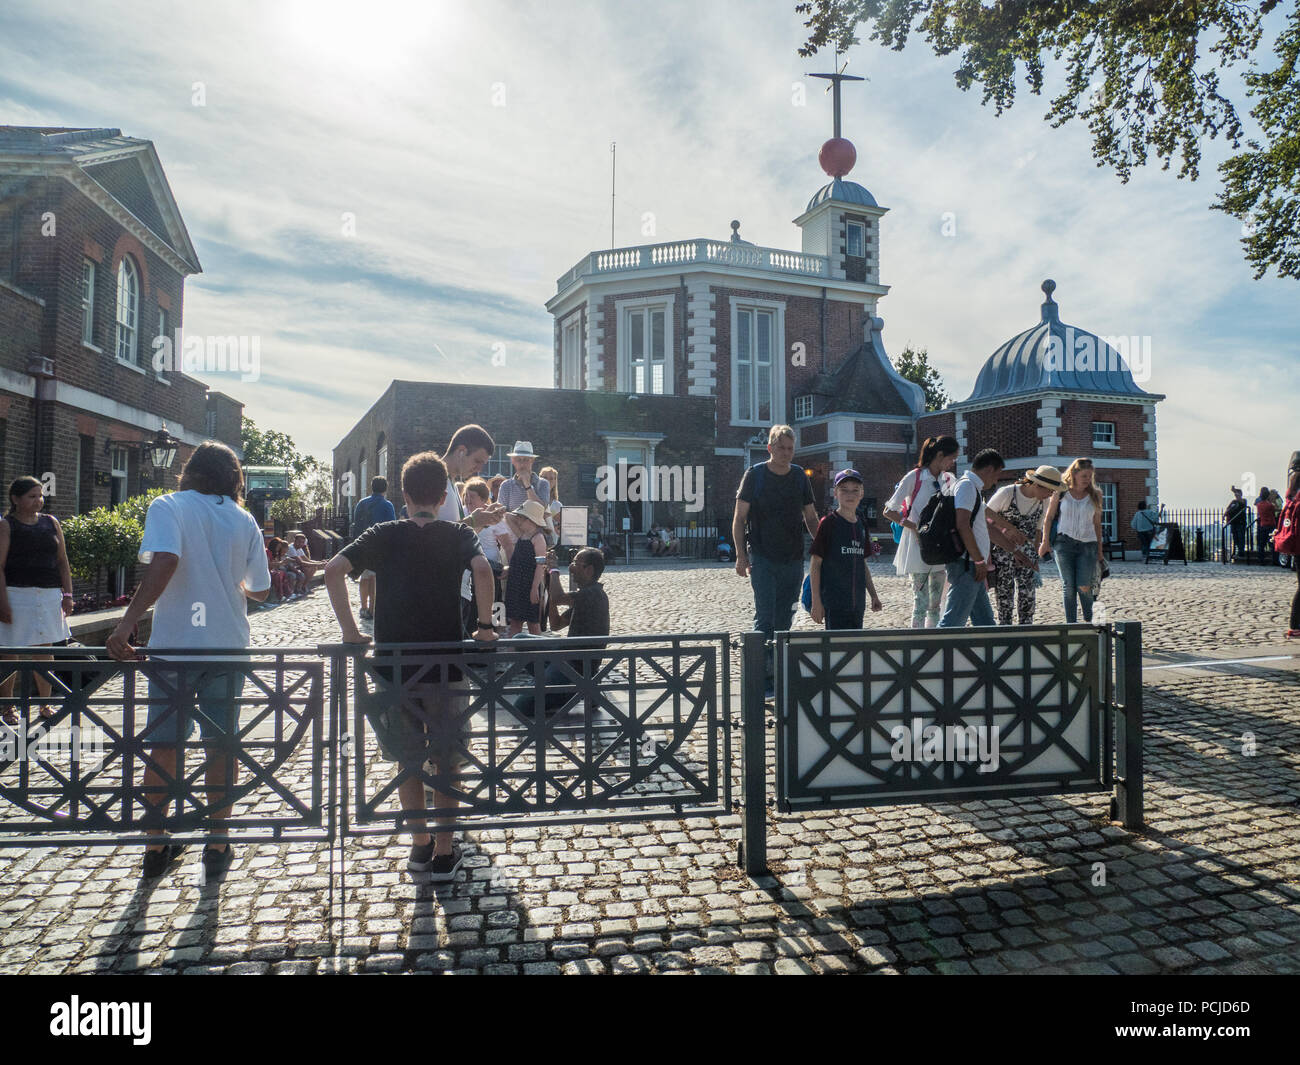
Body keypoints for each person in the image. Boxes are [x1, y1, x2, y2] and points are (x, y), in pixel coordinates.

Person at [325, 450, 497, 879]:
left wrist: (350, 631)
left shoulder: (384, 533)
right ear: (443, 496)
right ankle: (444, 851)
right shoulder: (457, 535)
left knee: (407, 759)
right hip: (445, 664)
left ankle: (419, 848)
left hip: (394, 665)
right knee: (448, 759)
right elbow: (483, 569)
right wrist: (485, 625)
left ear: (404, 494)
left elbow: (332, 570)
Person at [106, 442, 272, 880]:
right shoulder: (244, 518)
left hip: (176, 646)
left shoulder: (169, 506)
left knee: (164, 744)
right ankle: (218, 842)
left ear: (190, 472)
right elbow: (261, 590)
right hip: (227, 645)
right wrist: (225, 575)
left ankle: (157, 844)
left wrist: (127, 623)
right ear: (232, 477)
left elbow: (166, 561)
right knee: (222, 743)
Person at [732, 424, 819, 696]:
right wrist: (740, 555)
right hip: (762, 556)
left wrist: (823, 546)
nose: (785, 453)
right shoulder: (755, 475)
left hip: (793, 558)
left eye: (790, 448)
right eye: (780, 447)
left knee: (785, 619)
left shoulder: (798, 477)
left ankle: (779, 672)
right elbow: (739, 518)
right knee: (765, 618)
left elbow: (811, 517)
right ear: (770, 448)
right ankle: (763, 679)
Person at [0, 476, 75, 726]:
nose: (38, 501)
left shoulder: (52, 523)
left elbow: (62, 561)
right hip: (17, 594)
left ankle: (45, 703)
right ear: (16, 499)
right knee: (11, 653)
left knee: (44, 652)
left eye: (40, 495)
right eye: (32, 496)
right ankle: (7, 707)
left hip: (48, 595)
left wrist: (68, 594)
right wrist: (2, 602)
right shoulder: (7, 525)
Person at [514, 548, 611, 717]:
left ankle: (564, 690)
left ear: (588, 570)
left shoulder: (593, 594)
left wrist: (554, 569)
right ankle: (550, 684)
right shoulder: (584, 596)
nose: (571, 568)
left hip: (575, 667)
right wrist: (551, 588)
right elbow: (556, 624)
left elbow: (559, 598)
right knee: (520, 640)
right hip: (565, 654)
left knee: (522, 706)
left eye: (575, 563)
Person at [883, 436, 959, 628]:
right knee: (920, 602)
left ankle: (933, 641)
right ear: (940, 455)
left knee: (936, 604)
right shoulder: (914, 477)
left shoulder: (949, 479)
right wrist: (912, 526)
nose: (953, 463)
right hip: (917, 547)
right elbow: (888, 511)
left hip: (941, 546)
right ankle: (917, 643)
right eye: (951, 458)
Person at [985, 466, 1063, 626]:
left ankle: (1026, 628)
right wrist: (1007, 529)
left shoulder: (1044, 502)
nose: (1051, 495)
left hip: (1026, 553)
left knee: (1028, 593)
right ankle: (1005, 628)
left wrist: (1034, 558)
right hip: (1003, 551)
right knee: (1005, 593)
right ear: (1036, 485)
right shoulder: (1007, 493)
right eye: (1049, 490)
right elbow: (985, 514)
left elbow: (1037, 530)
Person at [939, 449, 1005, 628]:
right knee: (953, 621)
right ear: (990, 469)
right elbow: (962, 524)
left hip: (971, 565)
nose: (996, 480)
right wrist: (978, 561)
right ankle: (936, 654)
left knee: (985, 621)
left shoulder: (971, 486)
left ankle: (989, 654)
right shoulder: (967, 486)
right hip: (967, 564)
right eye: (998, 474)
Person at [809, 469, 882, 629]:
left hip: (857, 603)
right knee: (836, 648)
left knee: (854, 648)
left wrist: (873, 595)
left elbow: (862, 564)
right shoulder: (829, 523)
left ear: (862, 493)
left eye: (855, 490)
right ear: (835, 493)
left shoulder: (861, 524)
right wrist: (816, 601)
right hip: (834, 603)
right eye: (844, 490)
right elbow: (815, 563)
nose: (850, 495)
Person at [1039, 458, 1104, 623]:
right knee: (1068, 587)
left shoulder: (1096, 495)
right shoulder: (1061, 492)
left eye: (1090, 476)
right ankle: (1071, 625)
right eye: (1084, 475)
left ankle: (1090, 625)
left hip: (1088, 546)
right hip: (1064, 544)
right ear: (1074, 474)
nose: (1087, 479)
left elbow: (1097, 524)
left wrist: (1100, 551)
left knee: (1084, 587)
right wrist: (1045, 541)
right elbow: (1049, 517)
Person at [350, 477, 396, 620]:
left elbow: (355, 524)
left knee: (364, 577)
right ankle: (372, 608)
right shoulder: (387, 505)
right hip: (379, 545)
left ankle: (363, 607)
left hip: (362, 543)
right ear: (385, 488)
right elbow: (391, 526)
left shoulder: (361, 504)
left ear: (372, 487)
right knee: (374, 577)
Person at [464, 478, 513, 609]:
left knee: (495, 608)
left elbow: (507, 545)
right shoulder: (462, 514)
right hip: (468, 569)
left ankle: (497, 628)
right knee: (473, 607)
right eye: (466, 495)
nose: (468, 500)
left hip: (491, 568)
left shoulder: (494, 516)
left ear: (483, 499)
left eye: (472, 496)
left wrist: (510, 568)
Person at [503, 500, 549, 636]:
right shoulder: (522, 534)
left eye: (522, 518)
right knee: (515, 622)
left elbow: (540, 566)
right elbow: (509, 517)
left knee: (533, 624)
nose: (518, 520)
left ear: (531, 520)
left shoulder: (538, 538)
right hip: (516, 583)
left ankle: (537, 655)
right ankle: (513, 655)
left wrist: (534, 588)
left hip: (529, 584)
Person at [497, 441, 551, 516]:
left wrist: (527, 485)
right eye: (518, 460)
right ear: (513, 461)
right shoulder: (506, 485)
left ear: (532, 460)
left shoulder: (543, 483)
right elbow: (501, 514)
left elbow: (542, 509)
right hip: (511, 527)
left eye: (526, 460)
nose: (522, 464)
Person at [1223, 487, 1248, 562]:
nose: (1236, 495)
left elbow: (1243, 503)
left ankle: (1241, 552)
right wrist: (1225, 515)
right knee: (1235, 537)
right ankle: (1236, 551)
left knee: (1241, 537)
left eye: (1237, 494)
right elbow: (1228, 509)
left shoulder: (1243, 500)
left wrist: (1235, 492)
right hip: (1233, 522)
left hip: (1240, 522)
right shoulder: (1233, 501)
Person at [1256, 488, 1278, 567]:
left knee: (1262, 544)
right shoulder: (1270, 505)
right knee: (1272, 544)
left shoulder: (1259, 505)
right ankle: (1274, 560)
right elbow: (1273, 511)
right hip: (1271, 524)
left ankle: (1261, 560)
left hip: (1262, 525)